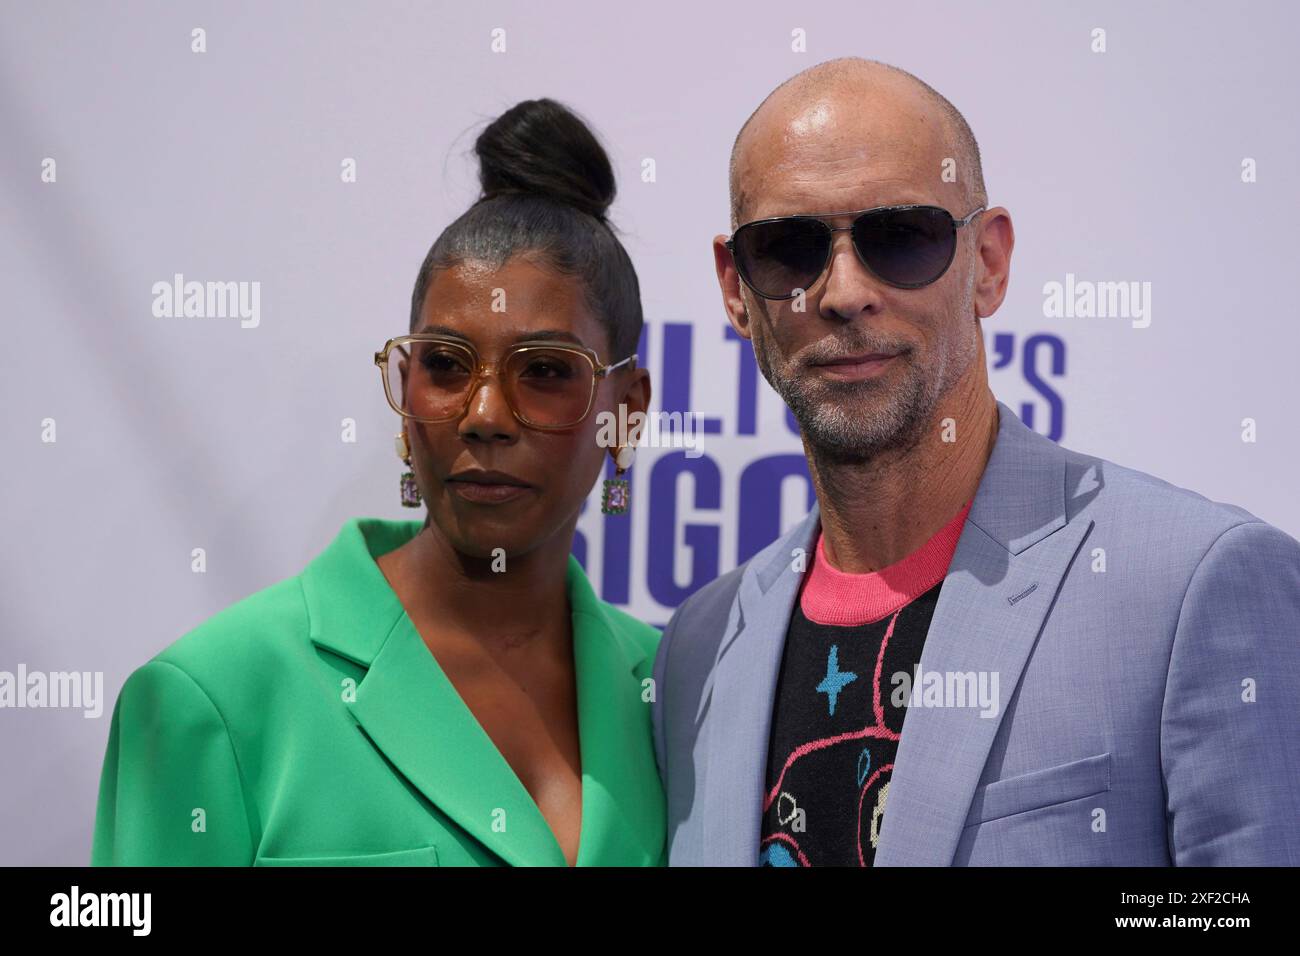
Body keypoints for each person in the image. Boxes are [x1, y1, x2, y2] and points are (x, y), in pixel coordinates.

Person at [652, 57, 1300, 866]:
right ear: (733, 286)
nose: (843, 291)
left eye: (901, 237)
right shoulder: (699, 651)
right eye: (789, 248)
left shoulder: (1194, 586)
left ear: (988, 264)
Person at [92, 98, 664, 867]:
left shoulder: (675, 698)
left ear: (625, 414)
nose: (485, 415)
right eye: (445, 366)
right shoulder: (214, 698)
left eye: (545, 371)